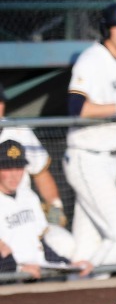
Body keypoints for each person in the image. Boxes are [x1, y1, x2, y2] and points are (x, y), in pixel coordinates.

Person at [64, 1, 116, 271]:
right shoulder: (91, 59)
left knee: (85, 247)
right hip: (87, 157)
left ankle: (75, 291)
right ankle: (86, 288)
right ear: (106, 29)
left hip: (109, 157)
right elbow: (77, 108)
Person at [0, 138, 89, 279]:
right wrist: (17, 269)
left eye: (18, 168)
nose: (14, 175)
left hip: (39, 272)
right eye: (8, 168)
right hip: (9, 278)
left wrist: (69, 265)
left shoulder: (28, 196)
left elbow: (42, 246)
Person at [0, 90, 70, 230]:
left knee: (65, 244)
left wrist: (55, 214)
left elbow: (41, 173)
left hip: (25, 213)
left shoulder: (17, 129)